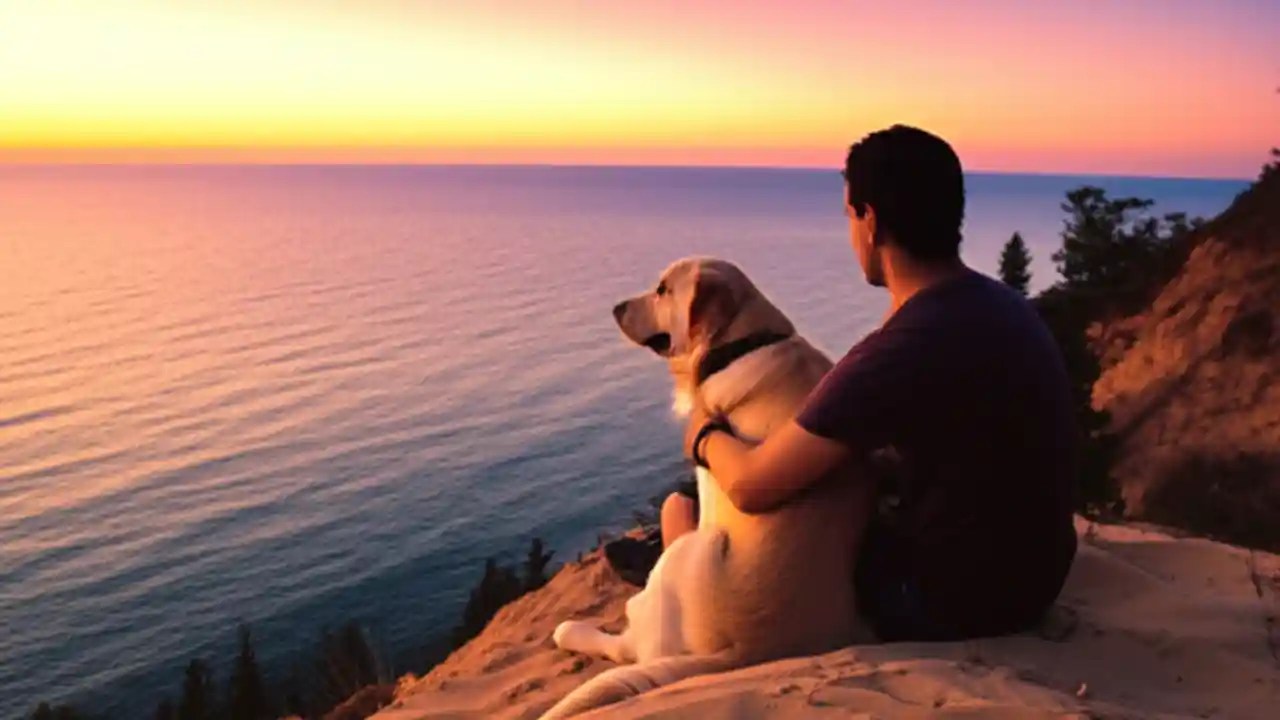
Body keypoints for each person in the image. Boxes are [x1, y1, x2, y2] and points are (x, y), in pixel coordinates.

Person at [666, 125, 1078, 641]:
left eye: (849, 215)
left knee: (761, 524)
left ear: (872, 221)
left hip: (955, 601)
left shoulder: (899, 349)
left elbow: (751, 485)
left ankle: (676, 581)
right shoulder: (1001, 306)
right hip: (1038, 576)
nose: (850, 231)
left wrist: (703, 432)